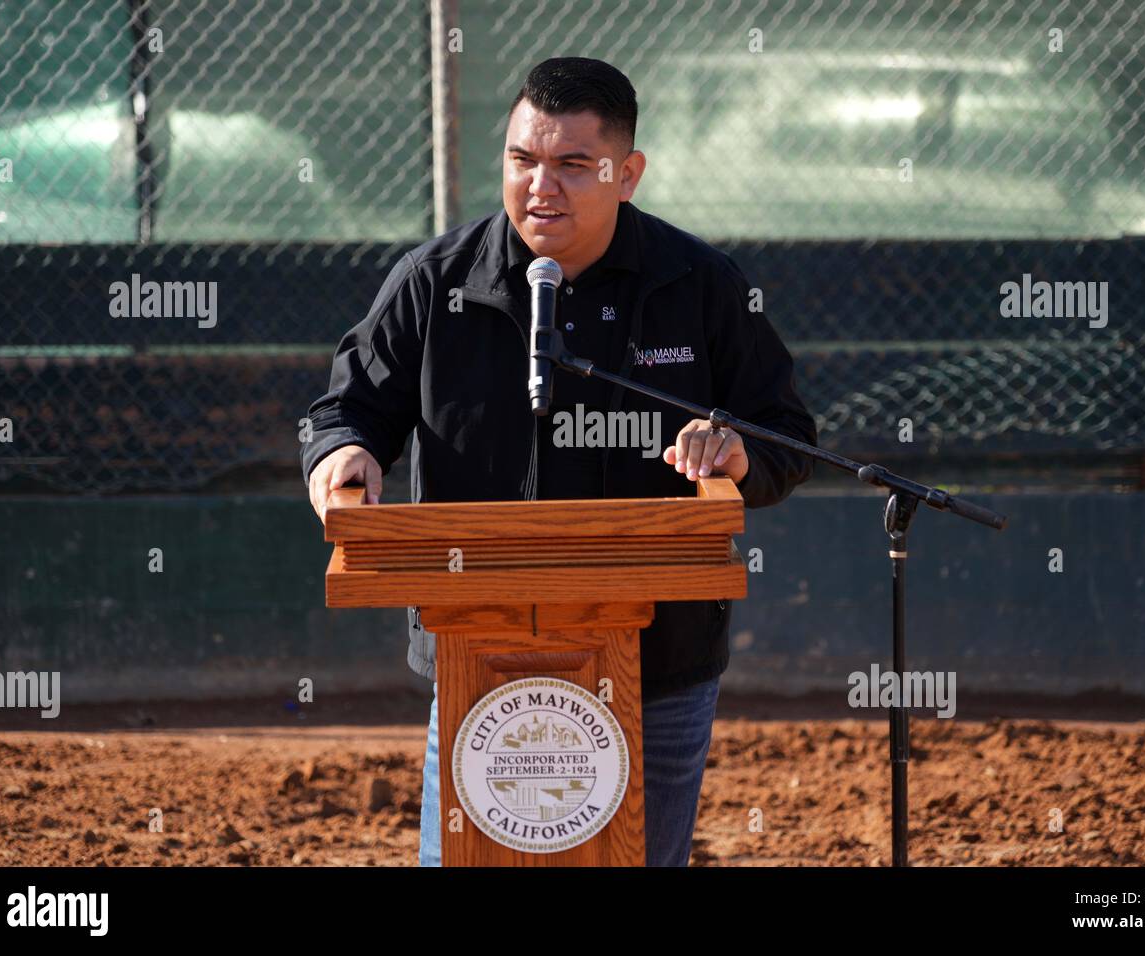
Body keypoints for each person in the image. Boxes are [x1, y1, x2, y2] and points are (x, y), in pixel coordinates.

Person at [302, 57, 816, 866]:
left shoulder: (702, 287)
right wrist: (343, 457)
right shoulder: (435, 284)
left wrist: (739, 454)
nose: (542, 186)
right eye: (522, 160)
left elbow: (788, 435)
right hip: (480, 653)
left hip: (661, 663)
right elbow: (345, 411)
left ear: (628, 173)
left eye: (574, 165)